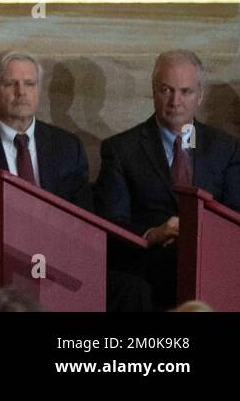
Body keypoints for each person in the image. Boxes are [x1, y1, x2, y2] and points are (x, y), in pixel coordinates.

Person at [95, 50, 240, 310]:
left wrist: (199, 235)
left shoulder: (225, 148)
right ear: (153, 92)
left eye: (185, 92)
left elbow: (234, 214)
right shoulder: (121, 150)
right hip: (149, 264)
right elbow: (110, 223)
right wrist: (155, 234)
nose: (176, 101)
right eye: (166, 90)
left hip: (213, 261)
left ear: (200, 96)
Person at [0, 50, 93, 264]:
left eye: (30, 84)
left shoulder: (67, 147)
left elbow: (86, 221)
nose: (21, 92)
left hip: (64, 263)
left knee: (131, 289)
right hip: (3, 268)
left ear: (39, 91)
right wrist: (22, 245)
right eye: (10, 84)